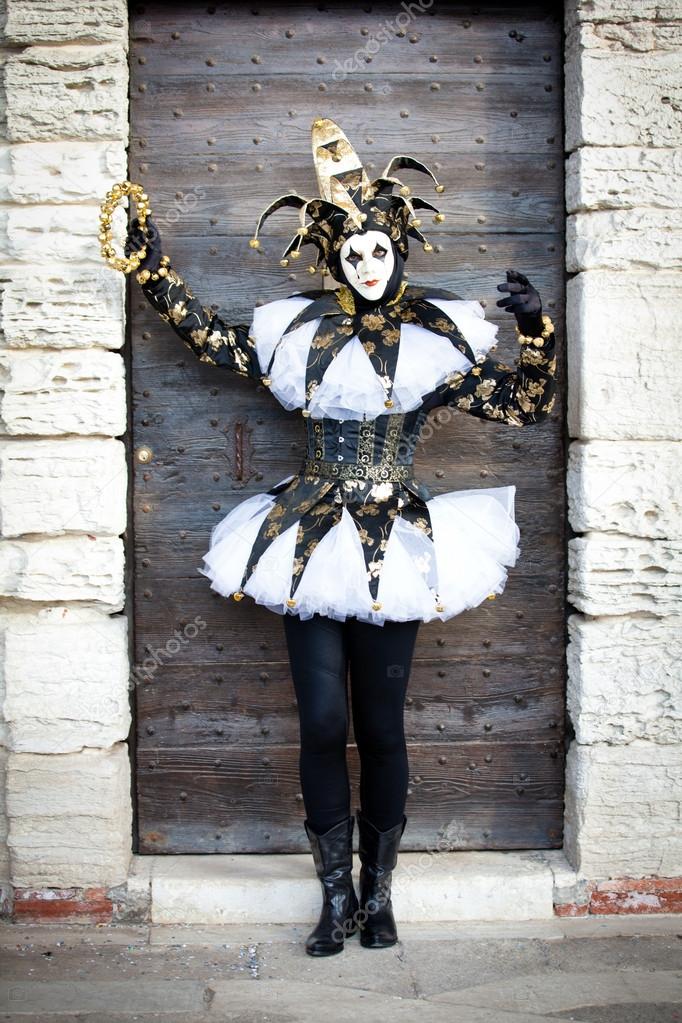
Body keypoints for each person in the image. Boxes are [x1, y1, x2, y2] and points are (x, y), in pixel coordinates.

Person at [123, 117, 557, 956]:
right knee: (323, 721)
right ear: (334, 259)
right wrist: (151, 266)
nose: (365, 263)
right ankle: (333, 898)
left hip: (395, 545)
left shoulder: (435, 338)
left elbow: (526, 406)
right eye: (350, 252)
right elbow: (210, 336)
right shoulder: (299, 333)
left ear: (399, 250)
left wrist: (535, 330)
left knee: (383, 726)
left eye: (378, 250)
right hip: (307, 541)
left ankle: (380, 893)